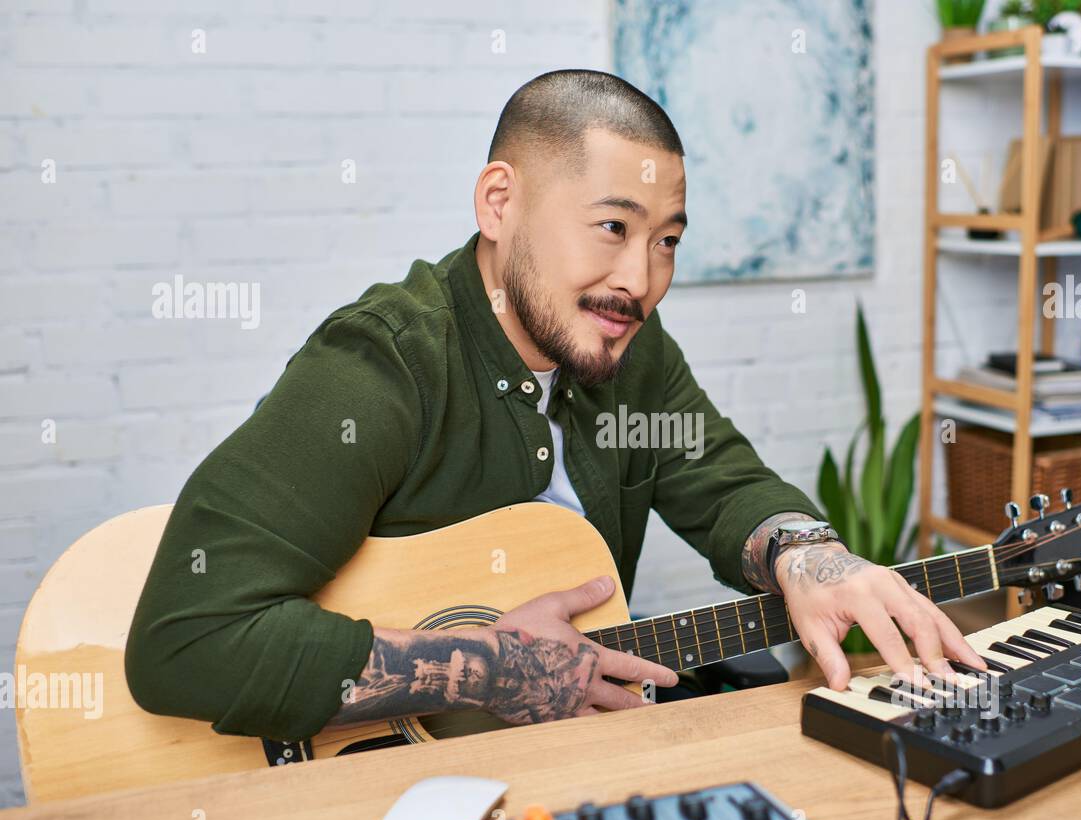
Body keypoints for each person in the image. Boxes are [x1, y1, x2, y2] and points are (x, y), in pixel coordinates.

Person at [125, 69, 984, 745]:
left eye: (668, 241)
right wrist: (488, 667)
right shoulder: (382, 364)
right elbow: (183, 642)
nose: (641, 280)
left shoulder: (632, 352)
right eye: (613, 227)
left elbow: (722, 482)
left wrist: (810, 557)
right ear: (501, 202)